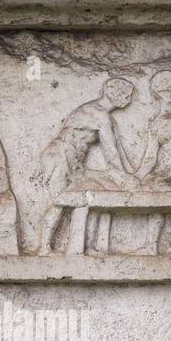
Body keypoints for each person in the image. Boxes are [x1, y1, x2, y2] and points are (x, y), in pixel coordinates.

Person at [36, 78, 135, 254]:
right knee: (59, 202)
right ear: (113, 93)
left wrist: (130, 175)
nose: (128, 99)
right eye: (126, 94)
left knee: (92, 191)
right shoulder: (99, 114)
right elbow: (110, 151)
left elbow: (119, 151)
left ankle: (86, 245)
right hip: (60, 156)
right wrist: (122, 177)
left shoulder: (107, 118)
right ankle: (44, 247)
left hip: (75, 163)